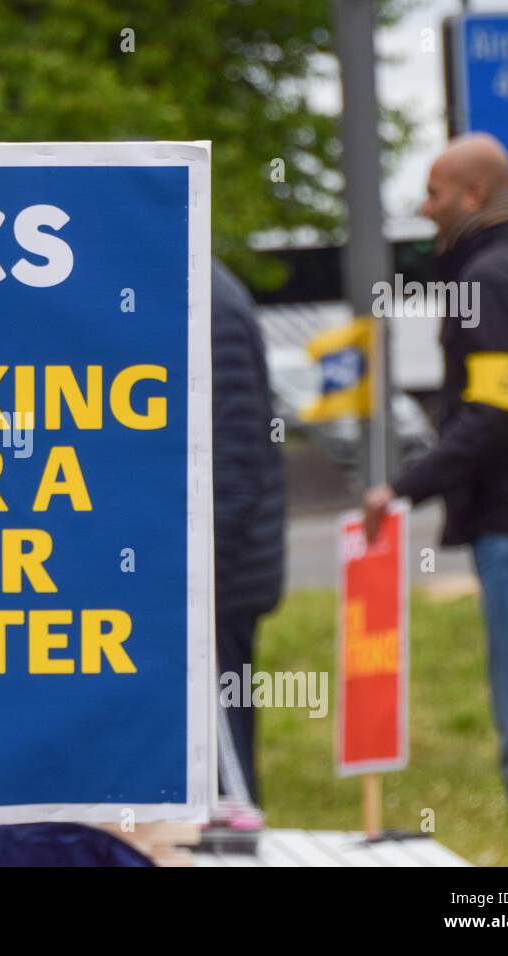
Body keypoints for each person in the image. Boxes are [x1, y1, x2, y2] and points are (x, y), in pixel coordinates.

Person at [364, 134, 508, 866]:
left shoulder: (493, 279)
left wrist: (401, 486)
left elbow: (492, 410)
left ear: (472, 196)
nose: (422, 205)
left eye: (434, 191)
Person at [210, 258, 286, 817]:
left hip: (218, 586)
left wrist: (188, 578)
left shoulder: (209, 303)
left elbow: (233, 465)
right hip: (219, 579)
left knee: (223, 765)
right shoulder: (207, 291)